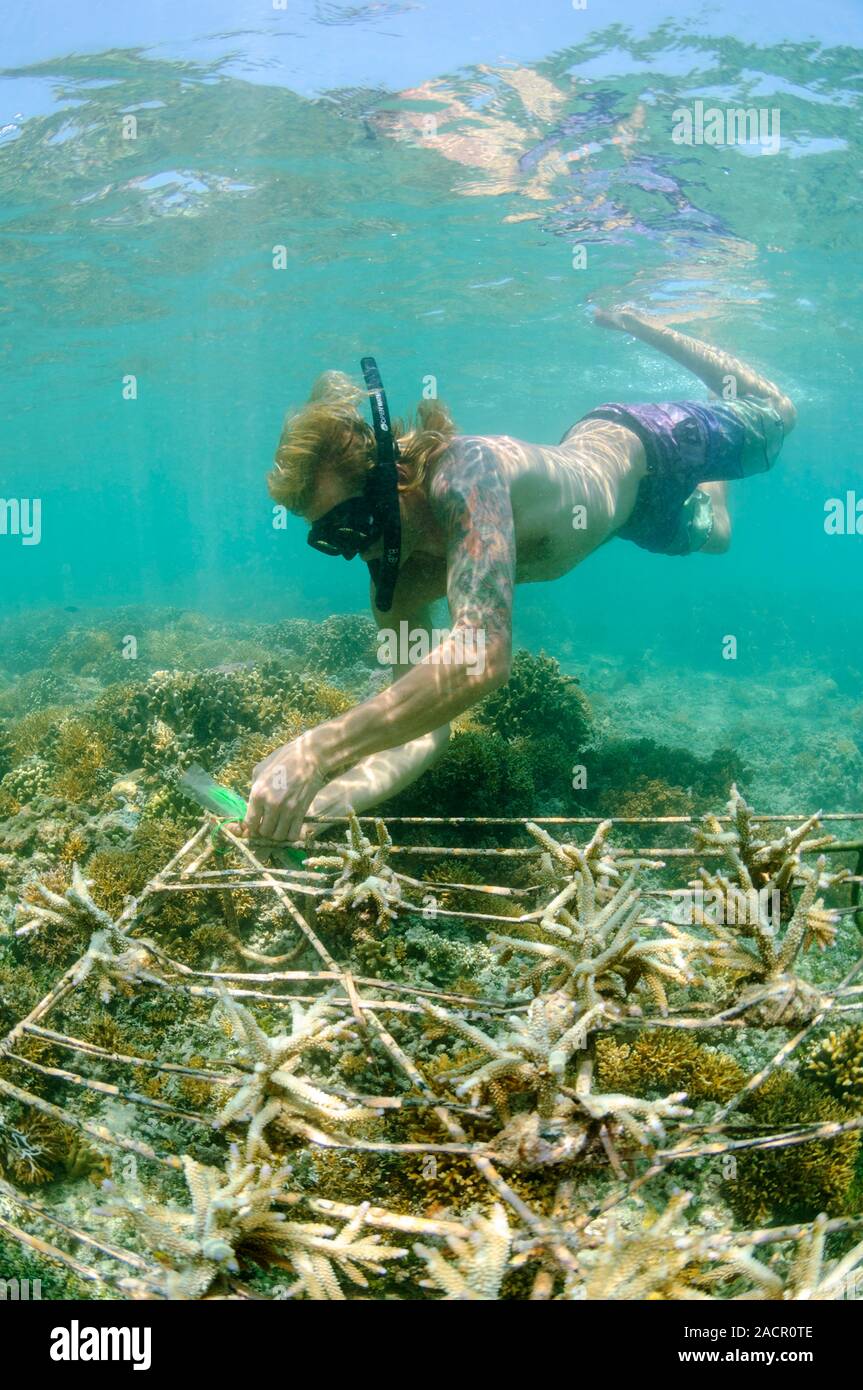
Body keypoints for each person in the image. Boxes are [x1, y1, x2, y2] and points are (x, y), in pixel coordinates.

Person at [242, 310, 796, 844]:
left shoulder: (467, 472)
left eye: (352, 523)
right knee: (717, 536)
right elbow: (422, 727)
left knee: (777, 414)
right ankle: (709, 482)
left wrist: (316, 751)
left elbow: (481, 657)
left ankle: (646, 326)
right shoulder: (399, 584)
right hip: (629, 520)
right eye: (329, 539)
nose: (352, 549)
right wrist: (332, 801)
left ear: (397, 478)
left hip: (652, 444)